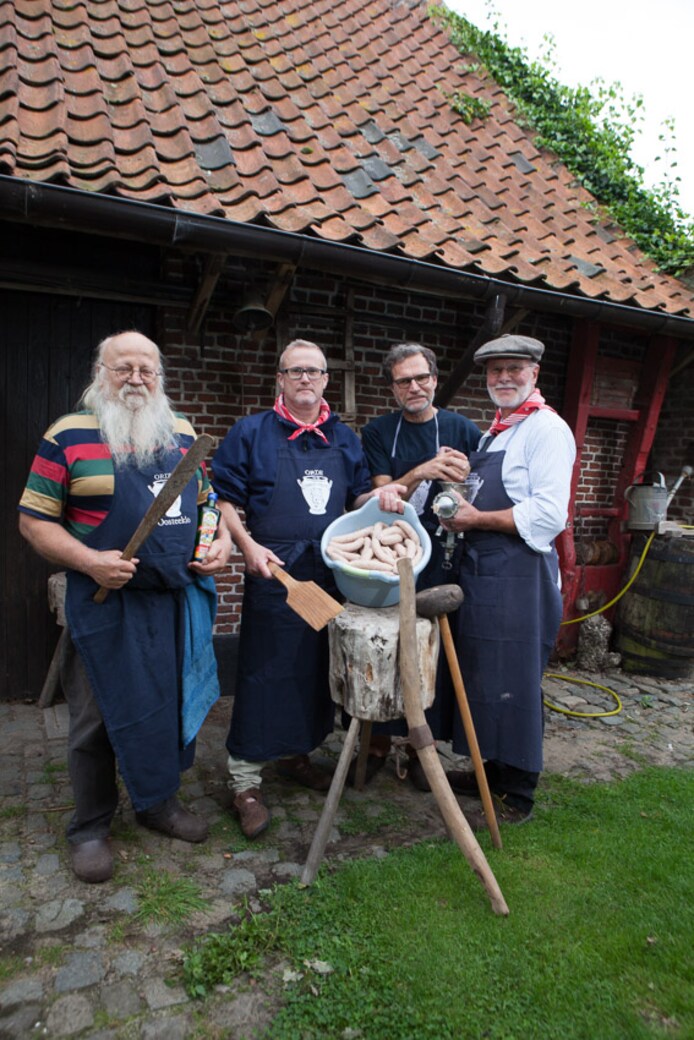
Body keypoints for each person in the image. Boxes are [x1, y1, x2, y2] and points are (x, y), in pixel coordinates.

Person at [18, 331, 232, 883]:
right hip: (104, 603)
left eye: (147, 369)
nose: (136, 379)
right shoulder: (68, 436)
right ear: (101, 373)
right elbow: (34, 521)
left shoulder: (181, 432)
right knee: (96, 718)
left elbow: (208, 501)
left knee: (165, 707)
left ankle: (157, 803)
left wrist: (221, 543)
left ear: (159, 377)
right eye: (124, 368)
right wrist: (89, 561)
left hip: (172, 602)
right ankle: (90, 826)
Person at [211, 339, 405, 839]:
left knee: (312, 670)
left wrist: (379, 495)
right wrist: (248, 546)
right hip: (274, 572)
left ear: (325, 380)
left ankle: (295, 756)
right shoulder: (250, 432)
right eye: (294, 370)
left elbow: (356, 497)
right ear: (280, 379)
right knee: (264, 671)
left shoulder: (342, 437)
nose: (304, 378)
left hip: (327, 573)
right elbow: (223, 498)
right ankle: (245, 781)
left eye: (313, 371)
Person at [439, 334, 576, 826]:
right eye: (495, 370)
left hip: (520, 575)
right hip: (484, 571)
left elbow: (549, 514)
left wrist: (475, 518)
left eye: (513, 369)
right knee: (484, 674)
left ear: (534, 373)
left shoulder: (547, 430)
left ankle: (518, 792)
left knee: (514, 677)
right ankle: (489, 771)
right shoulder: (494, 435)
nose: (503, 378)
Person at [359, 343, 482, 789]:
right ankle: (375, 744)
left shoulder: (463, 429)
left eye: (421, 378)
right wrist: (421, 471)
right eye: (403, 381)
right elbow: (383, 497)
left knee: (429, 655)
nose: (414, 387)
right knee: (383, 652)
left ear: (434, 378)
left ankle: (418, 750)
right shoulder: (378, 432)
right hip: (392, 555)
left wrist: (463, 478)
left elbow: (480, 487)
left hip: (445, 557)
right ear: (392, 388)